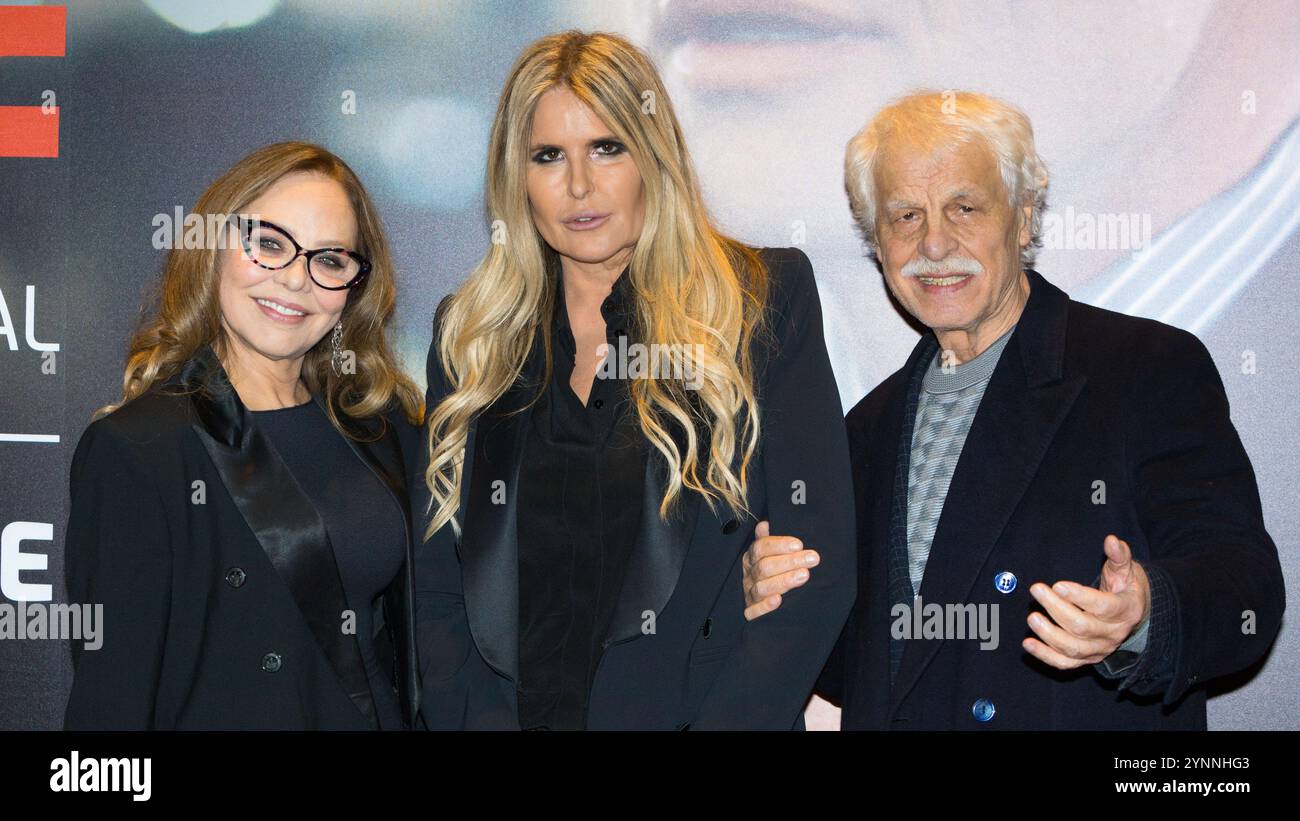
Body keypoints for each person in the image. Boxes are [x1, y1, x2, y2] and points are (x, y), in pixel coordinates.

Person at [743, 91, 1285, 729]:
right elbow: (868, 670)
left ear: (1024, 218)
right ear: (877, 242)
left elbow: (1244, 587)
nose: (935, 244)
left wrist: (1143, 615)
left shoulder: (1144, 369)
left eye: (964, 208)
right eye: (905, 216)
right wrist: (781, 597)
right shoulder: (861, 434)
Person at [413, 30, 856, 730]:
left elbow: (814, 572)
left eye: (607, 147)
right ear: (515, 176)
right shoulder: (473, 336)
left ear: (653, 156)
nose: (578, 185)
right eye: (548, 156)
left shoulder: (759, 301)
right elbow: (437, 591)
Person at [63, 142, 424, 730]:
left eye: (330, 260)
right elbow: (110, 709)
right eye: (269, 244)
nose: (294, 281)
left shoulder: (381, 429)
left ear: (354, 288)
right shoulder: (140, 450)